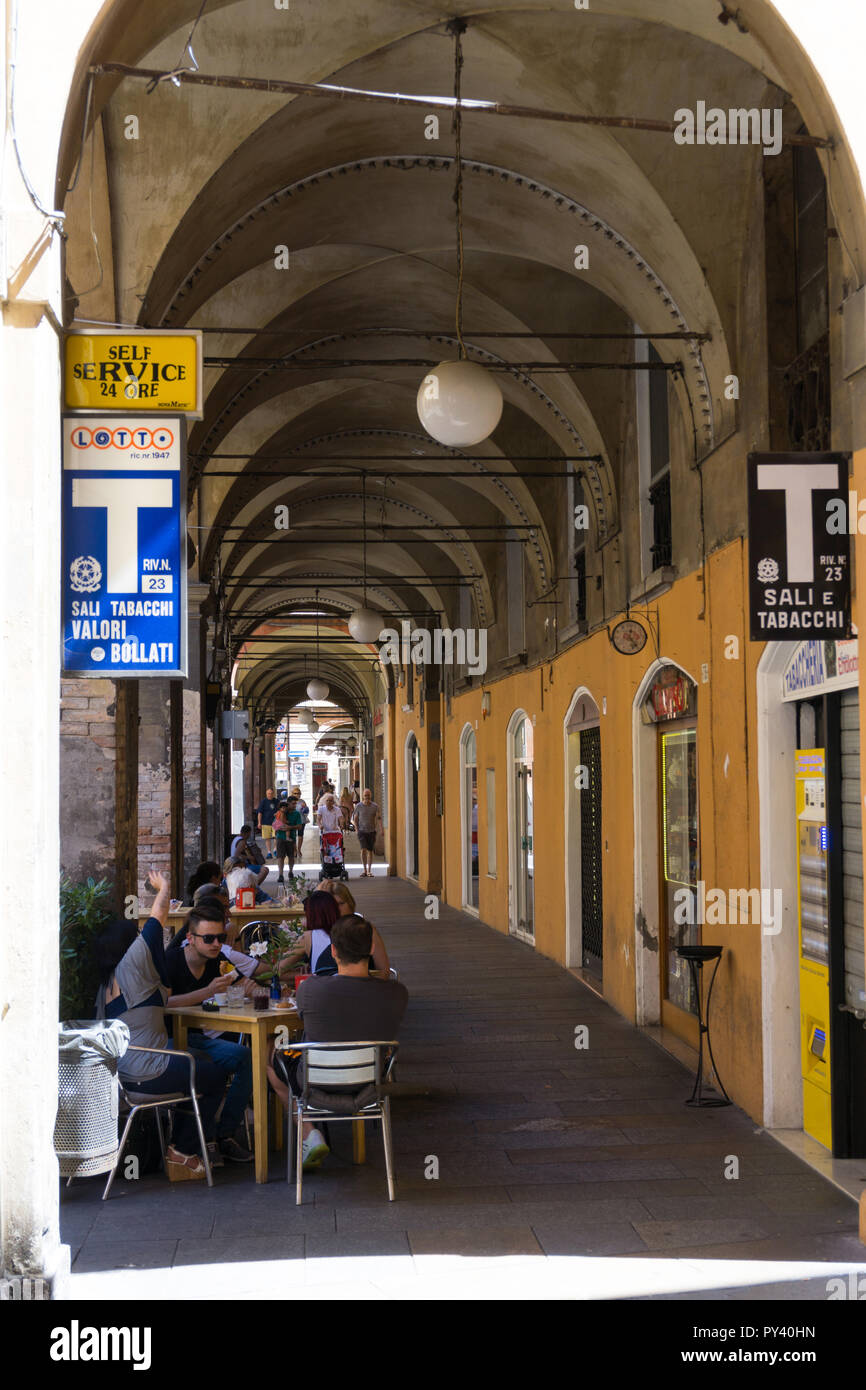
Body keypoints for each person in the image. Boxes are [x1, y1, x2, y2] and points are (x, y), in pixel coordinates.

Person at [94, 869, 230, 1179]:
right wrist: (164, 887)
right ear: (126, 949)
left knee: (202, 1061)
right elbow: (157, 918)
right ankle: (181, 1150)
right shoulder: (133, 966)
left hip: (123, 1073)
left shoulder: (107, 983)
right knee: (215, 1076)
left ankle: (184, 1145)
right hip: (147, 1072)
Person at [268, 915, 408, 1170]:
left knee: (272, 1061)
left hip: (316, 1082)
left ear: (332, 951)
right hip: (371, 1082)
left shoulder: (309, 990)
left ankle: (308, 1132)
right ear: (372, 948)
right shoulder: (397, 994)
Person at [164, 901, 263, 1162]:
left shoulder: (218, 960)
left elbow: (244, 984)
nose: (216, 943)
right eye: (208, 938)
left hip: (202, 1038)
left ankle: (225, 1136)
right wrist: (208, 992)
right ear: (190, 938)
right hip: (169, 1040)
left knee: (247, 1057)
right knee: (212, 1068)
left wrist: (259, 991)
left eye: (220, 937)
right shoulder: (170, 961)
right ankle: (192, 1143)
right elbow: (162, 1003)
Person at [316, 881, 391, 974]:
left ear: (350, 903)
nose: (337, 909)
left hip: (364, 986)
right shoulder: (314, 933)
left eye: (341, 903)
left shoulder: (365, 930)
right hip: (324, 987)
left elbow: (384, 971)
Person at [353, 787, 381, 878]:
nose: (367, 797)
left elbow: (378, 818)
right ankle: (364, 870)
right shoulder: (358, 806)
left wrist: (380, 829)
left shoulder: (375, 806)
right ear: (363, 796)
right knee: (363, 849)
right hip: (362, 831)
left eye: (368, 795)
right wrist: (357, 829)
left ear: (371, 796)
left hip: (371, 831)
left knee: (370, 851)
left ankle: (369, 871)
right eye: (365, 795)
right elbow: (355, 819)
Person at [256, 787, 280, 860]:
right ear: (266, 794)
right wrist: (259, 823)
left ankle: (275, 849)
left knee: (277, 837)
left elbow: (281, 811)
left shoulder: (277, 801)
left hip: (276, 822)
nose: (270, 795)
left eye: (271, 793)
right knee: (267, 838)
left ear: (273, 794)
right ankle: (269, 852)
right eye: (268, 793)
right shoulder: (263, 802)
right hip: (265, 822)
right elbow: (260, 813)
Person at [292, 786, 310, 855]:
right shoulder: (290, 801)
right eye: (295, 793)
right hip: (293, 821)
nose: (297, 795)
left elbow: (306, 811)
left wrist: (305, 807)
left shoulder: (302, 801)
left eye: (298, 793)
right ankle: (294, 850)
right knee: (293, 836)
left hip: (301, 821)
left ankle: (299, 849)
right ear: (292, 794)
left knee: (300, 835)